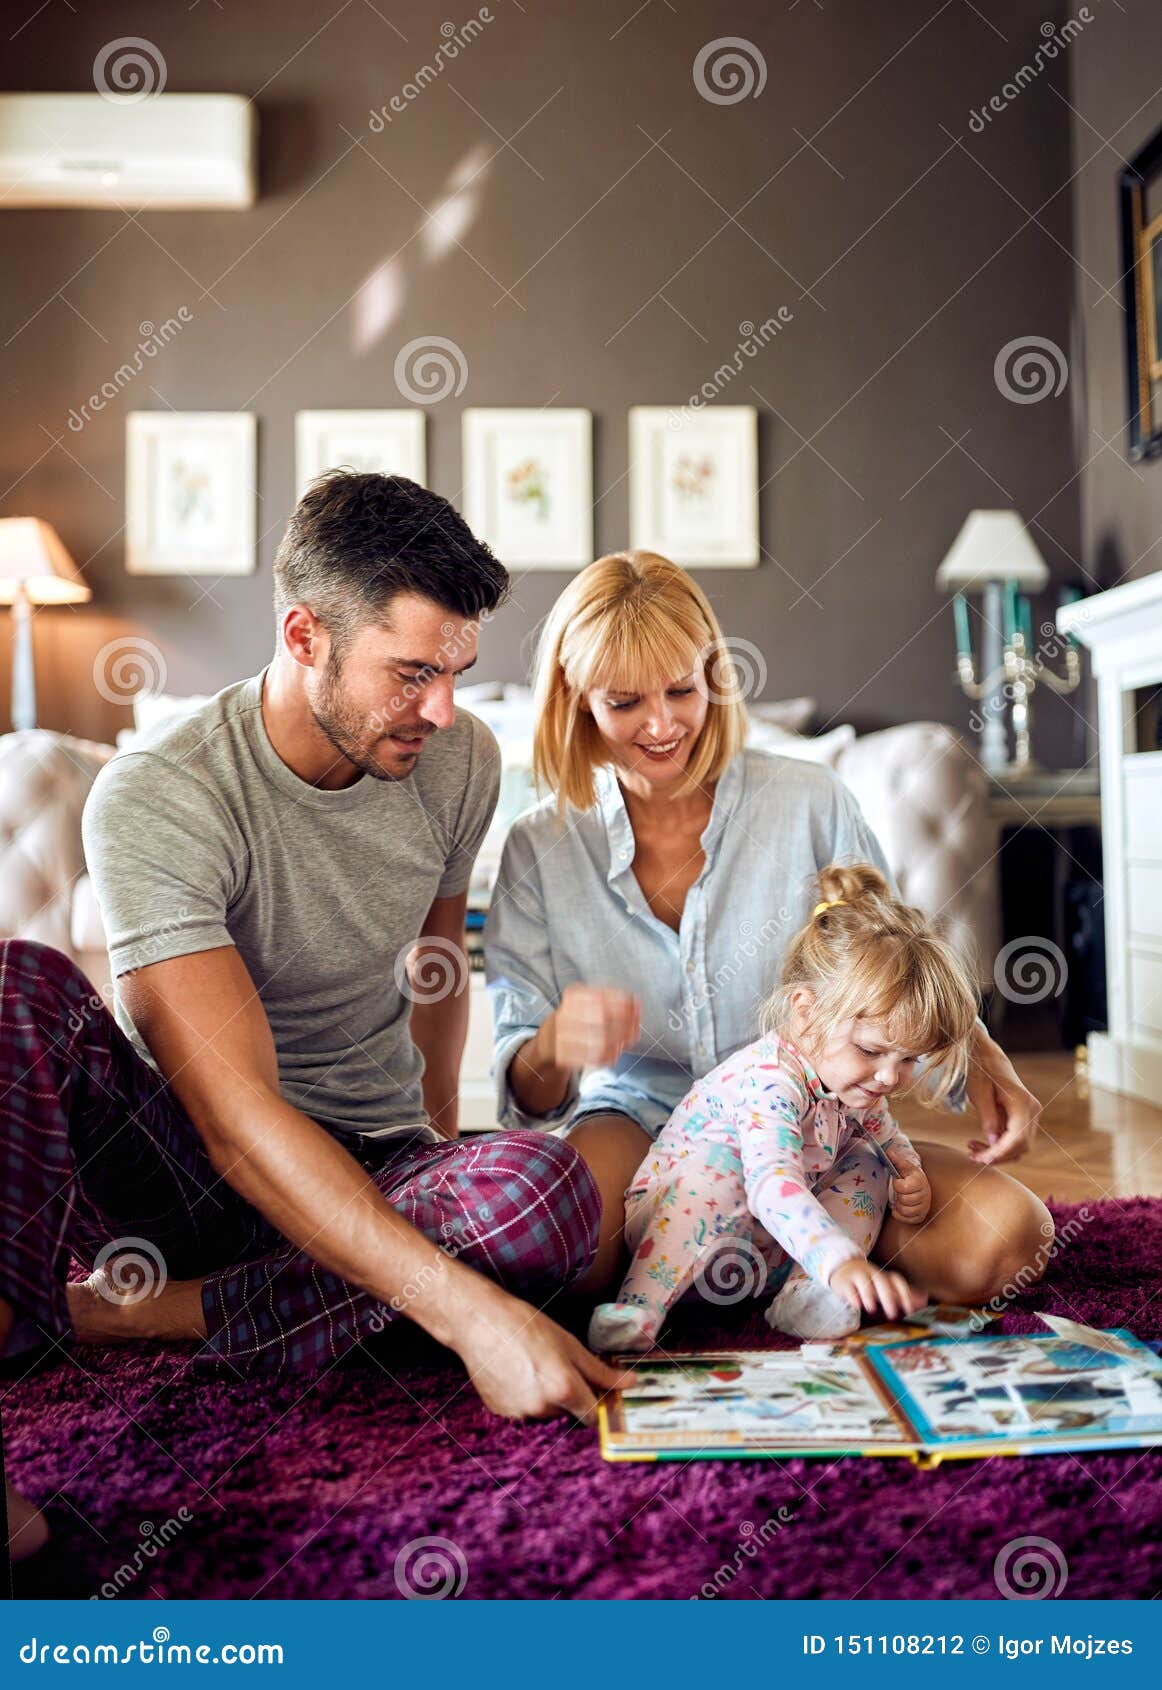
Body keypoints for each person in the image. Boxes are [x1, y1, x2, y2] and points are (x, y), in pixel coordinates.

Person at [0, 473, 628, 1563]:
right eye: (411, 674)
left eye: (457, 673)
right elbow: (236, 1119)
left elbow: (437, 964)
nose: (442, 709)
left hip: (376, 1155)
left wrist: (435, 1140)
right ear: (303, 634)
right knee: (16, 985)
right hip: (190, 1174)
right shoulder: (161, 792)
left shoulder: (461, 761)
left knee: (546, 1192)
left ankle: (141, 1315)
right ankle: (225, 1297)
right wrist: (473, 1313)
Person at [485, 549, 1053, 1306]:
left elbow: (898, 964)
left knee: (1008, 1240)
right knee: (561, 1255)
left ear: (714, 676)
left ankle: (769, 1254)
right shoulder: (539, 846)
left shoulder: (810, 801)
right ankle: (766, 1255)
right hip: (639, 1124)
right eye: (624, 703)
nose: (661, 726)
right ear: (575, 698)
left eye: (681, 690)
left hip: (821, 1125)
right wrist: (554, 1043)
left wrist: (982, 1059)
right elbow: (526, 1093)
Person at [587, 862, 980, 1352]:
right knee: (719, 1169)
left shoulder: (855, 1085)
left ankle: (806, 1294)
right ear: (805, 1008)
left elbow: (886, 1135)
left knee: (867, 1160)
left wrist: (910, 1173)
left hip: (767, 1251)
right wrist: (840, 1258)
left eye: (909, 1060)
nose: (889, 1077)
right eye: (872, 1051)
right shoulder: (769, 1079)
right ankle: (640, 1304)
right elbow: (772, 1184)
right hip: (680, 1238)